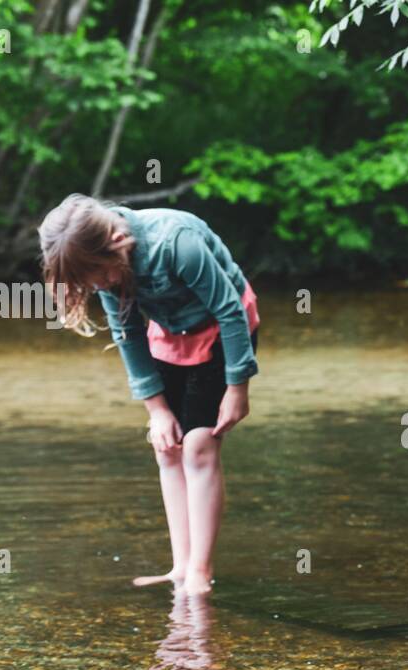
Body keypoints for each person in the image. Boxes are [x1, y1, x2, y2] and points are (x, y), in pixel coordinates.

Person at [39, 194, 260, 596]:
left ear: (118, 239)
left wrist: (237, 387)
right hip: (171, 334)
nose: (101, 285)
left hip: (222, 329)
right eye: (90, 282)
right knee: (168, 445)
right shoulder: (102, 267)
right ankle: (179, 566)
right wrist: (156, 410)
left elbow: (230, 310)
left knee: (199, 445)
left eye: (102, 275)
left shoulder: (178, 242)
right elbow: (127, 333)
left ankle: (200, 571)